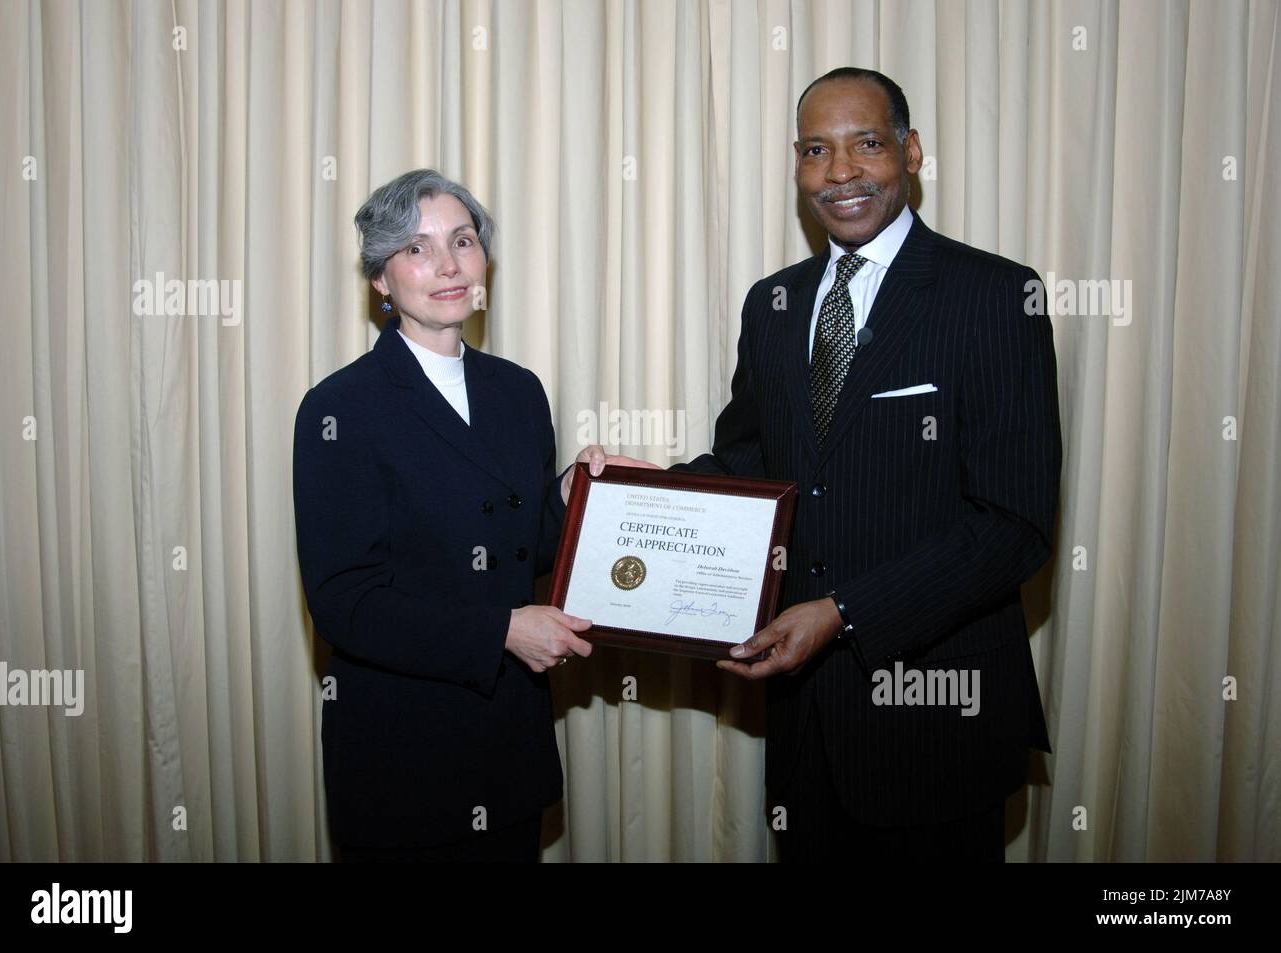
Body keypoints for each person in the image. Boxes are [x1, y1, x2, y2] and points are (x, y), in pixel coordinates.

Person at [684, 68, 1062, 861]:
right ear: (797, 166)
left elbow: (1014, 523)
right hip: (805, 725)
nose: (842, 170)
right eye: (817, 150)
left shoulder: (995, 295)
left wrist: (843, 612)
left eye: (867, 144)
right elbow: (750, 461)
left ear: (910, 151)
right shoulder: (773, 303)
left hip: (938, 720)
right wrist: (636, 498)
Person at [293, 169, 643, 861]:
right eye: (417, 249)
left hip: (506, 737)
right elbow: (345, 602)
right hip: (402, 755)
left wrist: (569, 497)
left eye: (463, 241)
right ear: (381, 281)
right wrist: (501, 632)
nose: (448, 264)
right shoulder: (341, 409)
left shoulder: (517, 391)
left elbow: (523, 547)